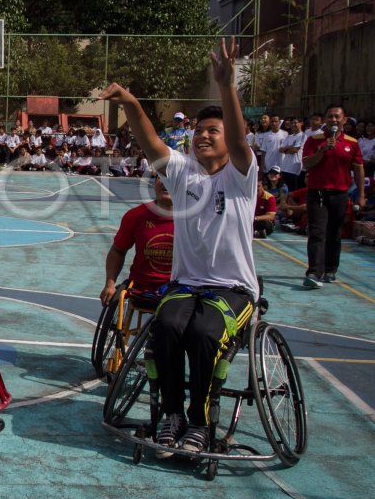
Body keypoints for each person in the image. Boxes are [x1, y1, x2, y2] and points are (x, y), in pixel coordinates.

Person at [100, 38, 259, 456]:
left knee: (206, 333)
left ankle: (201, 423)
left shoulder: (241, 177)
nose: (203, 136)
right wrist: (131, 102)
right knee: (167, 327)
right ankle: (171, 414)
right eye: (199, 131)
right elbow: (149, 139)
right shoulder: (182, 174)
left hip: (232, 288)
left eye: (213, 131)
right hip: (187, 284)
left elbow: (241, 142)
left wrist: (226, 86)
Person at [300, 104, 365, 288]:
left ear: (344, 120)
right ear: (325, 119)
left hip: (340, 194)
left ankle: (330, 269)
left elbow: (358, 169)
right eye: (330, 116)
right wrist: (322, 150)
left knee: (334, 234)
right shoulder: (314, 140)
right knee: (317, 232)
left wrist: (361, 194)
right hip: (317, 193)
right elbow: (306, 164)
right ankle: (314, 272)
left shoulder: (352, 143)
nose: (333, 120)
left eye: (337, 117)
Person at [99, 174, 174, 307]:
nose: (165, 182)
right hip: (142, 289)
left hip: (179, 289)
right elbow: (117, 251)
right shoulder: (136, 215)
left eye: (172, 177)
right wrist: (110, 284)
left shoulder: (196, 219)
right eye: (161, 177)